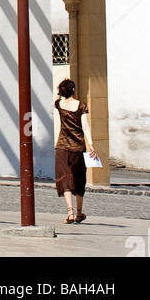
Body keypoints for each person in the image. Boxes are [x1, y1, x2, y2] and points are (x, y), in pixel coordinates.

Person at [54, 77, 96, 223]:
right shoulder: (81, 106)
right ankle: (79, 213)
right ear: (73, 90)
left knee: (64, 178)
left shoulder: (59, 104)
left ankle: (70, 213)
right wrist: (91, 145)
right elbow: (85, 127)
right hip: (78, 147)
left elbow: (58, 100)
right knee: (79, 179)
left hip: (61, 146)